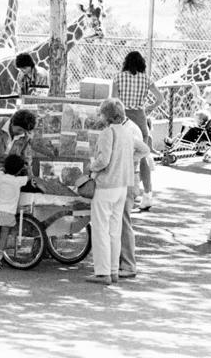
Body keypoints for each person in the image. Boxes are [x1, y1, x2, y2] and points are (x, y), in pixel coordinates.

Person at [87, 98, 150, 285]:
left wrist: (92, 168)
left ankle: (102, 272)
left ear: (106, 115)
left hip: (106, 185)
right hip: (122, 185)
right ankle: (114, 270)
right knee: (115, 229)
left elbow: (103, 160)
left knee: (100, 230)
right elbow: (144, 149)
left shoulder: (107, 133)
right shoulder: (126, 132)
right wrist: (127, 162)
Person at [112, 51, 163, 211]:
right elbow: (160, 98)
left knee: (120, 157)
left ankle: (122, 195)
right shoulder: (146, 79)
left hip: (124, 118)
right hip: (140, 118)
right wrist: (149, 107)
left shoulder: (119, 78)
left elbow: (114, 100)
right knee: (143, 157)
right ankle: (147, 195)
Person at [0, 154, 28, 269]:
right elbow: (30, 177)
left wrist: (5, 167)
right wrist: (28, 168)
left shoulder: (1, 176)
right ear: (19, 170)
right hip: (8, 212)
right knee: (4, 235)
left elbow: (1, 169)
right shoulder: (18, 180)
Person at [118, 115, 148, 279]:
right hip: (126, 176)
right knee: (120, 219)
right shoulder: (127, 128)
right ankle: (121, 262)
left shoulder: (129, 130)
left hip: (128, 178)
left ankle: (128, 264)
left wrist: (127, 161)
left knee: (123, 220)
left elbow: (143, 150)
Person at [0, 108, 37, 177]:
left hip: (9, 175)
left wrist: (29, 176)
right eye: (19, 130)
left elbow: (26, 160)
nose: (22, 133)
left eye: (25, 131)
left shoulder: (26, 136)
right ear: (12, 123)